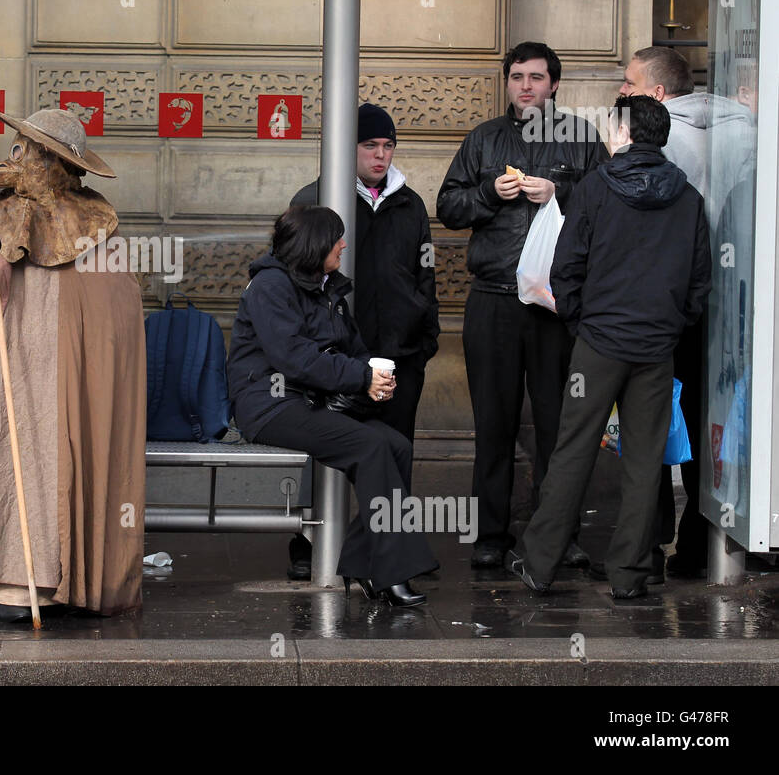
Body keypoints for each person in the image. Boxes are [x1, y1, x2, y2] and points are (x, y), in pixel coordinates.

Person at [0, 102, 145, 621]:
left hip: (67, 381)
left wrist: (86, 357)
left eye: (33, 152)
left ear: (61, 166)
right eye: (20, 148)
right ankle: (1, 583)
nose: (19, 158)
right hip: (1, 369)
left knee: (58, 466)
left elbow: (117, 318)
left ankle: (57, 581)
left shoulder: (97, 227)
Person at [508, 95, 711, 598]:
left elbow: (566, 267)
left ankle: (539, 564)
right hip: (656, 349)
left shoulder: (597, 187)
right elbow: (699, 283)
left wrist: (581, 321)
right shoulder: (688, 198)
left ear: (622, 134)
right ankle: (630, 575)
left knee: (573, 450)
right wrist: (670, 328)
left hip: (599, 342)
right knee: (645, 463)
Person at [437, 41, 605, 568]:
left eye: (536, 77)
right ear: (507, 82)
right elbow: (448, 207)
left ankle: (558, 535)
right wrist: (491, 192)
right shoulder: (484, 138)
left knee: (559, 425)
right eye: (516, 77)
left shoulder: (581, 137)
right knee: (494, 422)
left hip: (557, 304)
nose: (525, 86)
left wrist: (560, 192)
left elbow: (610, 209)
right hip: (493, 299)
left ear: (555, 84)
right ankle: (491, 535)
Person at [227, 205, 439, 606]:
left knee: (397, 446)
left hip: (312, 401)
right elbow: (293, 357)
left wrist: (374, 380)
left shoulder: (329, 288)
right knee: (371, 447)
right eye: (336, 238)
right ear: (315, 245)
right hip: (269, 404)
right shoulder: (271, 286)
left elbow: (354, 351)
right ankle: (393, 573)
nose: (344, 244)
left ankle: (364, 565)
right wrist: (359, 377)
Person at [616, 47, 754, 581]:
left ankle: (649, 546)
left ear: (656, 94)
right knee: (707, 420)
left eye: (629, 84)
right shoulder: (740, 129)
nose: (621, 92)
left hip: (661, 305)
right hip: (720, 303)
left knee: (648, 420)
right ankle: (704, 540)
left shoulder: (659, 141)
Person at [287, 103, 439, 579]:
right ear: (348, 148)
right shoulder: (316, 197)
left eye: (388, 146)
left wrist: (424, 334)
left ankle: (388, 552)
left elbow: (426, 271)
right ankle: (306, 545)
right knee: (326, 450)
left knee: (395, 451)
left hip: (399, 354)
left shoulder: (409, 203)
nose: (380, 156)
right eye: (370, 146)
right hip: (336, 359)